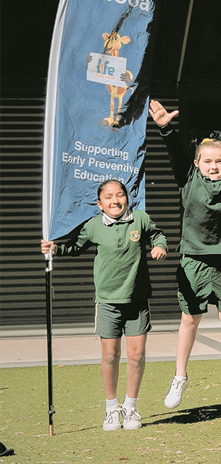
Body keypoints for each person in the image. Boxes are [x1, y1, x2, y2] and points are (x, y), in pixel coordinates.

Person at [148, 96, 221, 409]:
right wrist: (166, 129)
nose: (214, 166)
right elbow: (175, 151)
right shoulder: (188, 178)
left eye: (219, 161)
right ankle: (180, 377)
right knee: (190, 318)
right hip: (192, 260)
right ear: (197, 163)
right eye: (207, 161)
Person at [41, 179, 167, 431]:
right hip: (108, 300)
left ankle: (130, 407)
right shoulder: (93, 226)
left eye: (120, 195)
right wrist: (54, 248)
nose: (115, 200)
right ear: (100, 204)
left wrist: (159, 246)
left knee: (137, 355)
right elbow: (75, 246)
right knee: (110, 355)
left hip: (137, 299)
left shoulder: (139, 219)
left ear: (127, 199)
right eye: (108, 197)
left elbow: (157, 234)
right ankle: (111, 408)